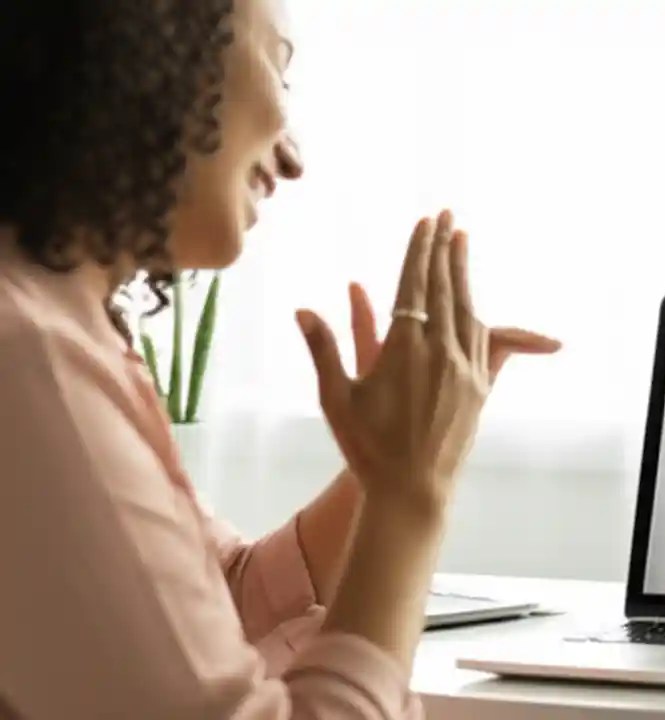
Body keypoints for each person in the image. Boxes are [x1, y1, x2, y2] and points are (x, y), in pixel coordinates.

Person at [0, 0, 559, 717]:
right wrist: (410, 496)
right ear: (156, 51)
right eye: (281, 73)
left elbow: (223, 596)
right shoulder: (29, 360)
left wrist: (395, 454)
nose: (293, 158)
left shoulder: (58, 327)